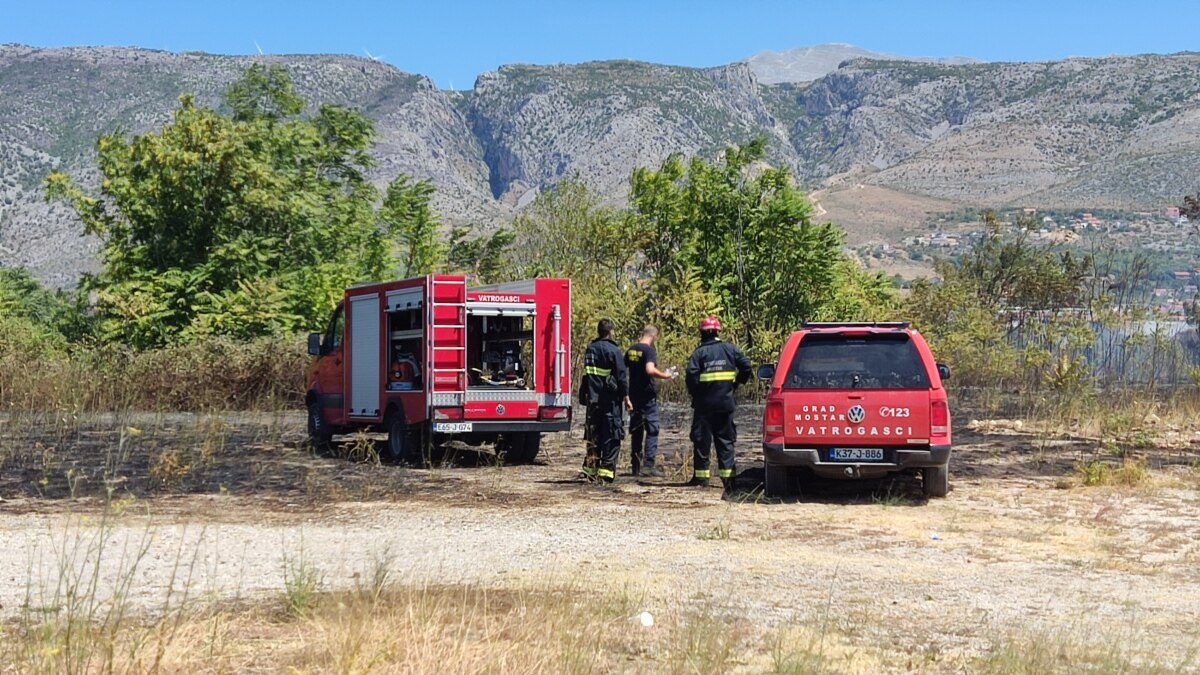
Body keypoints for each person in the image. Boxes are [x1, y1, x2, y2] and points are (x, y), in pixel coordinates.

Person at [685, 316, 752, 495]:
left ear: (701, 333)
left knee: (702, 441)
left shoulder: (699, 354)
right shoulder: (730, 349)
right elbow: (746, 366)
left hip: (704, 405)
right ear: (717, 331)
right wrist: (737, 383)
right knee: (725, 441)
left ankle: (701, 479)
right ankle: (729, 482)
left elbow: (691, 376)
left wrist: (695, 392)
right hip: (725, 404)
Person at [579, 318, 628, 483]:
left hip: (593, 401)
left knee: (593, 435)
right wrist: (626, 397)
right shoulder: (614, 351)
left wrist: (583, 394)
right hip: (610, 402)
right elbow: (621, 378)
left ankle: (591, 470)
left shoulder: (590, 349)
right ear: (610, 332)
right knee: (611, 436)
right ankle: (606, 474)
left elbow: (587, 375)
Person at [624, 325, 677, 477]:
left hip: (634, 396)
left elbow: (623, 368)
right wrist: (666, 376)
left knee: (636, 431)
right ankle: (648, 465)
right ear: (654, 336)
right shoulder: (649, 351)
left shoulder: (631, 349)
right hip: (647, 398)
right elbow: (650, 370)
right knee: (652, 430)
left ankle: (635, 466)